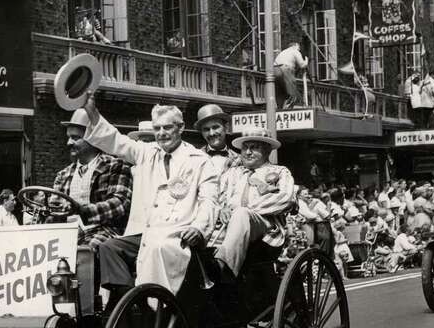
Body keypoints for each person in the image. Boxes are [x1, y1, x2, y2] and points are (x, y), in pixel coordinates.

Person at [81, 95, 218, 294]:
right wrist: (92, 111)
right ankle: (131, 302)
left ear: (180, 128)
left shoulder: (200, 160)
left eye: (167, 128)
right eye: (157, 128)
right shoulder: (146, 152)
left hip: (177, 237)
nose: (161, 134)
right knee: (109, 248)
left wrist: (198, 228)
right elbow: (115, 141)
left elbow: (209, 201)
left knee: (157, 248)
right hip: (144, 233)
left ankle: (155, 304)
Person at [213, 129, 297, 280]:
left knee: (241, 214)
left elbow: (286, 198)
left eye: (255, 147)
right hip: (227, 228)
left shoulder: (280, 171)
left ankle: (223, 268)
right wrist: (222, 209)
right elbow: (216, 196)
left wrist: (243, 210)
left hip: (265, 228)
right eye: (245, 148)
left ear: (267, 150)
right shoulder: (232, 173)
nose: (248, 152)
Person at [52, 108, 132, 249]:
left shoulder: (115, 165)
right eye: (69, 137)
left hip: (105, 231)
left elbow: (120, 203)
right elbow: (54, 206)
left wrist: (83, 210)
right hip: (69, 232)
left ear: (93, 139)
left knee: (85, 253)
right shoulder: (63, 175)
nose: (69, 143)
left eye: (75, 138)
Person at [273, 41, 308, 109]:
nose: (299, 49)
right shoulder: (294, 51)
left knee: (280, 93)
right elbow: (302, 65)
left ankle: (280, 108)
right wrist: (306, 61)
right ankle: (288, 109)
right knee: (293, 93)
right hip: (285, 69)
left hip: (274, 70)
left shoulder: (283, 52)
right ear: (294, 46)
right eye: (299, 47)